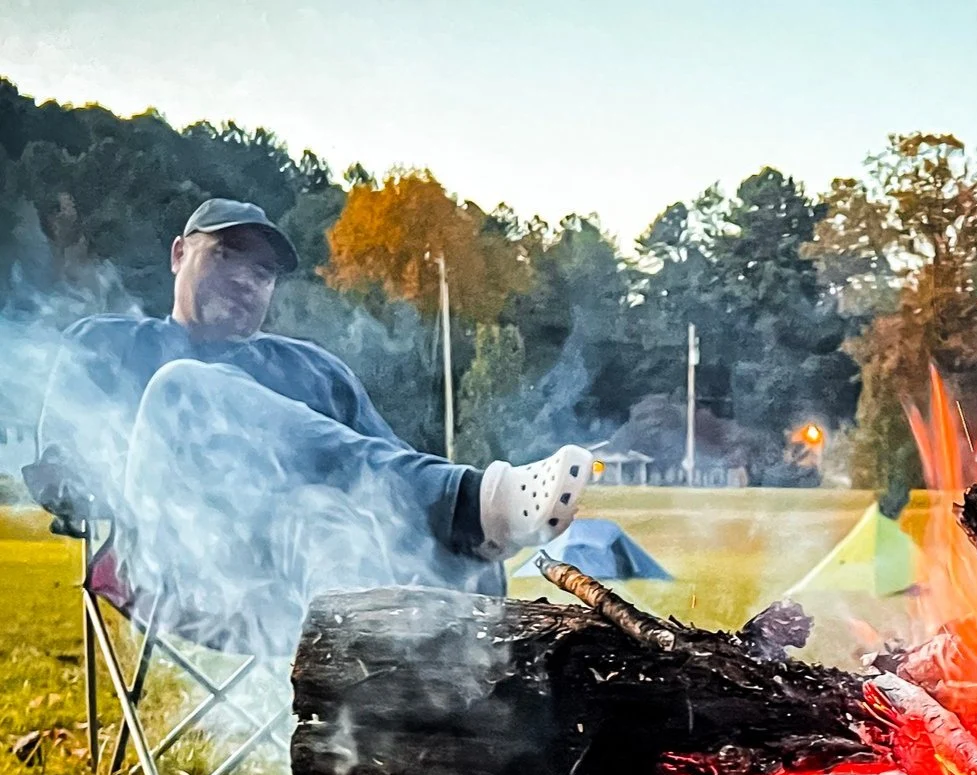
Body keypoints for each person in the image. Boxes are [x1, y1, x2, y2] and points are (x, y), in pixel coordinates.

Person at [29, 198, 592, 655]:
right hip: (176, 563)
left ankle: (447, 718)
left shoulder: (314, 369)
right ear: (178, 255)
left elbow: (390, 472)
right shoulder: (107, 343)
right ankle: (471, 498)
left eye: (264, 271)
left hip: (312, 576)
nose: (247, 280)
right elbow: (60, 477)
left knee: (448, 547)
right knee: (185, 387)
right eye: (225, 256)